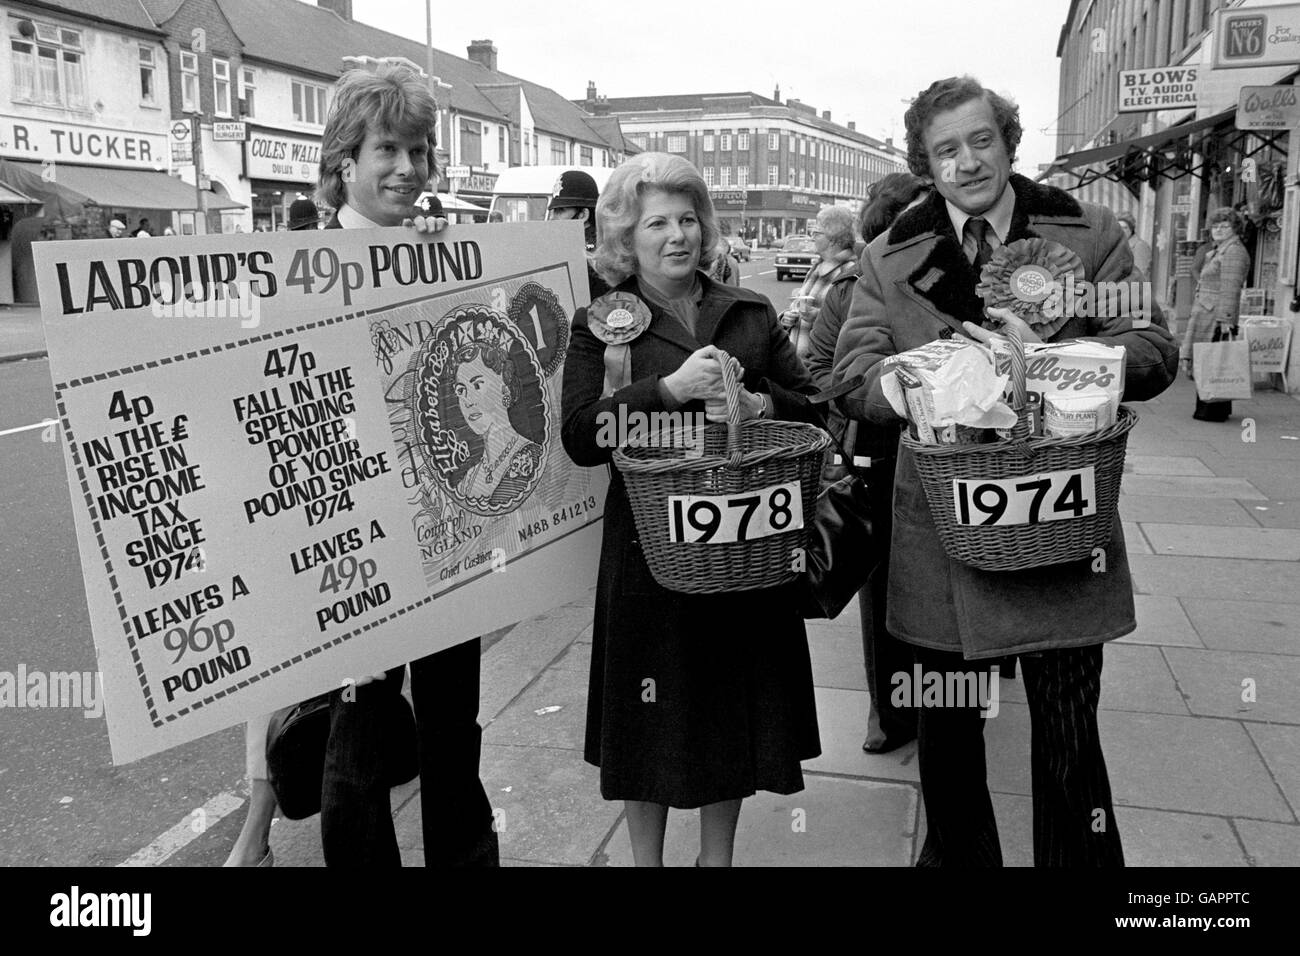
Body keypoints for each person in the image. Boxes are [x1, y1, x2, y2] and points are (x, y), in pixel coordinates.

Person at [833, 75, 1178, 867]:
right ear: (925, 163)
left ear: (1007, 140)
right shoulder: (888, 258)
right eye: (945, 149)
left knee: (1067, 737)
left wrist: (1065, 364)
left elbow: (1153, 347)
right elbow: (851, 374)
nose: (966, 163)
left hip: (1059, 524)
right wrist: (937, 379)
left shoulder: (1089, 233)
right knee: (949, 740)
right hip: (943, 534)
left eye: (980, 140)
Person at [561, 152, 823, 867]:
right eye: (657, 223)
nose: (676, 235)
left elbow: (816, 410)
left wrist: (764, 402)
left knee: (726, 713)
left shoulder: (749, 312)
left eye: (687, 219)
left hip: (741, 545)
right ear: (625, 235)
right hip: (651, 551)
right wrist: (668, 390)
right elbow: (583, 435)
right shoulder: (601, 324)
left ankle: (717, 860)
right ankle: (646, 863)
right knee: (644, 719)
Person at [313, 62, 497, 867]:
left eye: (420, 150)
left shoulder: (445, 250)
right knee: (356, 741)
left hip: (442, 530)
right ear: (345, 161)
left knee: (454, 728)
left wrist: (441, 266)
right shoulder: (296, 268)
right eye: (388, 148)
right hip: (352, 538)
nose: (408, 170)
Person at [806, 171, 929, 755]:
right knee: (882, 585)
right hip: (879, 450)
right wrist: (850, 414)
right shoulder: (850, 291)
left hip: (962, 454)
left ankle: (955, 698)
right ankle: (890, 714)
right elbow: (818, 371)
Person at [224, 197, 323, 868]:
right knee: (272, 674)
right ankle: (256, 828)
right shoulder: (273, 295)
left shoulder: (395, 247)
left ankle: (259, 829)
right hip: (301, 501)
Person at [451, 341, 543, 504]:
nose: (467, 401)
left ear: (504, 389)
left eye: (477, 385)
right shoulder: (469, 479)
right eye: (461, 390)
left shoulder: (532, 457)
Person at [1182, 206, 1251, 422]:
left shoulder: (1234, 251)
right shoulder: (1220, 249)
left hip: (1216, 315)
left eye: (1225, 226)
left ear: (1235, 229)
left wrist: (1226, 319)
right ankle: (1211, 406)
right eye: (1216, 225)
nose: (1219, 229)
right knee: (1209, 359)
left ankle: (1212, 409)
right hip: (1207, 311)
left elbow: (1231, 287)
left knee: (1215, 361)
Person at [781, 205, 859, 365]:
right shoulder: (817, 267)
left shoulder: (850, 271)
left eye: (816, 233)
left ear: (834, 239)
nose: (811, 237)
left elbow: (851, 322)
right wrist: (787, 317)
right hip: (800, 365)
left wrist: (817, 316)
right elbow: (801, 309)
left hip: (820, 368)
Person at [546, 169, 608, 298]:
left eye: (560, 211)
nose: (552, 218)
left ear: (583, 215)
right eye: (553, 211)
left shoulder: (593, 255)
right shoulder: (570, 245)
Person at [1115, 212, 1151, 278]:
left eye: (1125, 228)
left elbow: (1140, 274)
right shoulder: (1119, 245)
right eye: (1118, 227)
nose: (1121, 231)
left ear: (1131, 229)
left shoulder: (1139, 246)